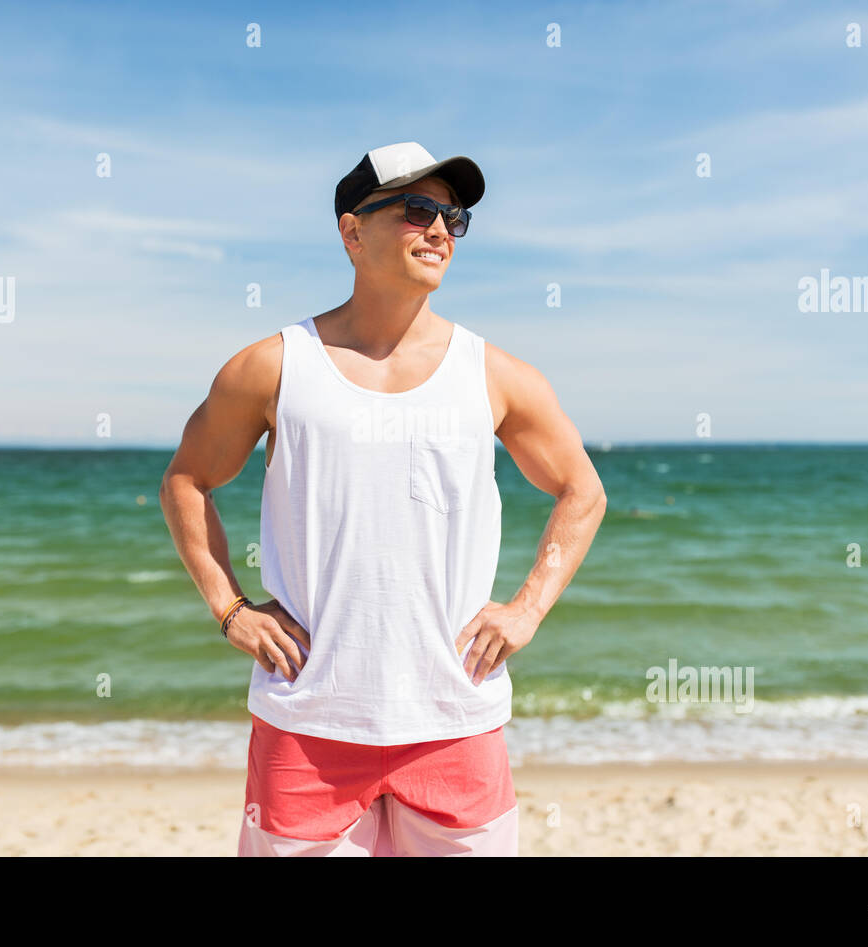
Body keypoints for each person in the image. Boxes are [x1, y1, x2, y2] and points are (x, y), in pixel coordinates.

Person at [160, 141, 607, 856]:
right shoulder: (273, 366)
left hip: (455, 717)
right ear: (352, 231)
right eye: (417, 209)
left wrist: (527, 608)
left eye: (452, 217)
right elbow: (186, 480)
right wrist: (231, 608)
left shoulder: (494, 375)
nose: (439, 229)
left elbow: (582, 489)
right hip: (307, 723)